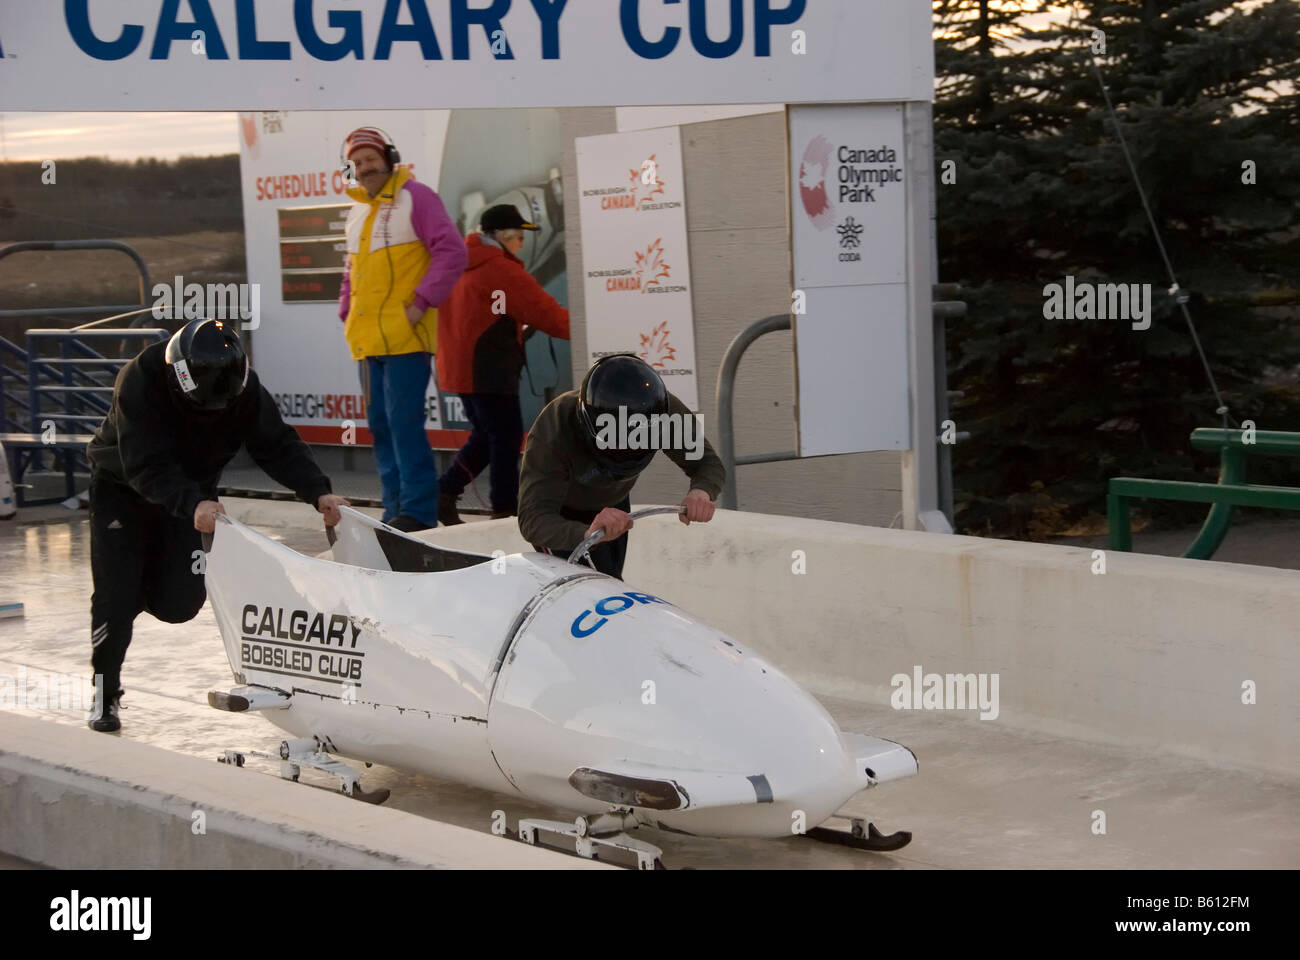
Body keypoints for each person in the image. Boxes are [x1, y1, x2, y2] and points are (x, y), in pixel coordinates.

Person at [84, 318, 350, 732]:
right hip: (124, 491)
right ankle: (105, 692)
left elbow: (277, 445)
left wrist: (318, 493)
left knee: (180, 605)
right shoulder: (139, 380)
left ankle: (136, 586)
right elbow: (145, 465)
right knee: (115, 599)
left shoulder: (242, 390)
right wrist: (192, 503)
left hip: (194, 498)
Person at [338, 126, 467, 532]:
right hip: (367, 341)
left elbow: (452, 251)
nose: (364, 168)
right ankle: (393, 509)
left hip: (406, 337)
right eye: (357, 163)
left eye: (370, 159)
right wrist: (346, 308)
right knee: (380, 424)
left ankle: (418, 512)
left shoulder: (418, 197)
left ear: (389, 157)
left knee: (403, 422)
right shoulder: (357, 211)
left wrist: (420, 304)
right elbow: (351, 271)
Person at [517, 355, 724, 579]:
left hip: (614, 507)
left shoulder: (663, 412)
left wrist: (700, 492)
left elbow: (708, 464)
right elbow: (532, 519)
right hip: (562, 515)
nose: (624, 451)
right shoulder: (553, 429)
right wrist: (585, 533)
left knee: (611, 582)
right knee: (582, 590)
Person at [435, 203, 571, 525]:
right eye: (520, 238)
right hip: (488, 370)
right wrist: (589, 323)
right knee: (506, 438)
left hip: (461, 369)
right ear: (503, 236)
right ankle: (504, 512)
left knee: (489, 435)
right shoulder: (499, 269)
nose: (522, 245)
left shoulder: (458, 263)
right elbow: (545, 313)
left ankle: (443, 494)